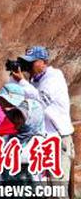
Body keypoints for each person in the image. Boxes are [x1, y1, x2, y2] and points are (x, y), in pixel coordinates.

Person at [10, 46, 74, 182]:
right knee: (42, 189)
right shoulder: (34, 81)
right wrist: (15, 81)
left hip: (58, 138)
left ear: (44, 62)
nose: (28, 65)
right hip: (41, 140)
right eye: (26, 62)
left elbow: (41, 101)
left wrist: (22, 81)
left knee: (58, 188)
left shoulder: (54, 76)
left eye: (31, 62)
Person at [0, 83, 46, 183]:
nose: (5, 109)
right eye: (14, 115)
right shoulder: (10, 137)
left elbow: (24, 157)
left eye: (21, 117)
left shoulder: (38, 141)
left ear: (32, 118)